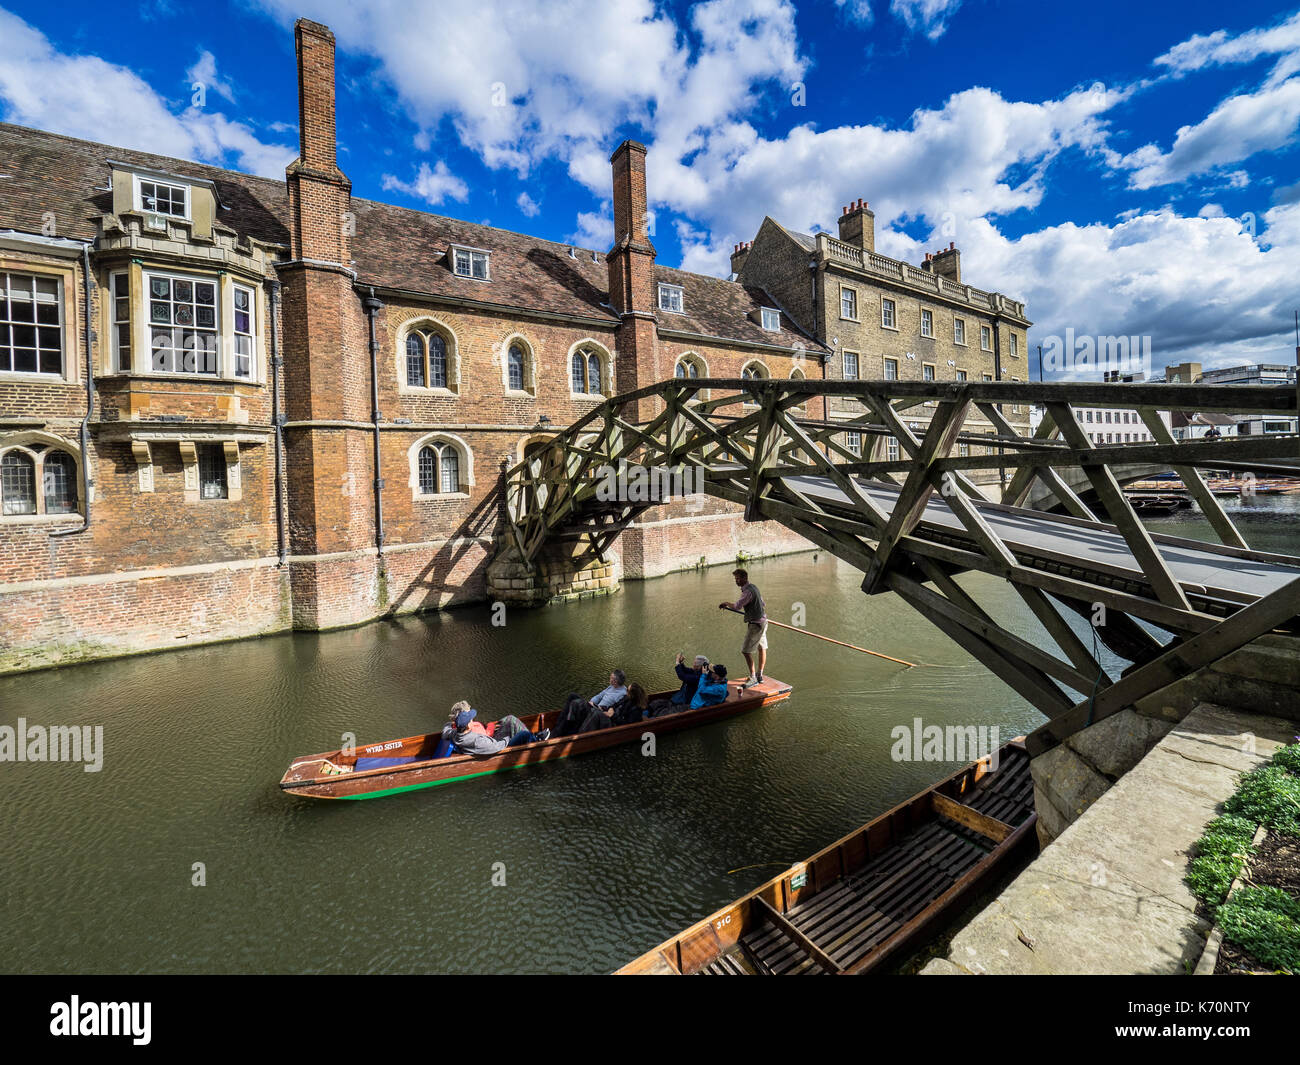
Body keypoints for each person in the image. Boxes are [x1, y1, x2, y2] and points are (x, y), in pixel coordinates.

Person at [442, 701, 549, 757]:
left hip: (491, 742)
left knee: (510, 719)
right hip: (499, 747)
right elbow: (496, 747)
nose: (472, 720)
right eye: (471, 720)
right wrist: (508, 738)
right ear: (468, 726)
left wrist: (452, 724)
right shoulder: (476, 740)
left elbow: (445, 730)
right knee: (523, 734)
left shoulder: (455, 733)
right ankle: (536, 743)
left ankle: (533, 737)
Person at [719, 568, 768, 686]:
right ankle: (759, 675)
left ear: (744, 578)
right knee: (762, 648)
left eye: (738, 578)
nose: (736, 581)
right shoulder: (754, 587)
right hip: (763, 621)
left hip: (756, 625)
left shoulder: (747, 592)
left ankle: (753, 678)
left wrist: (726, 603)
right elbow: (762, 604)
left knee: (746, 651)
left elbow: (737, 606)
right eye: (735, 579)